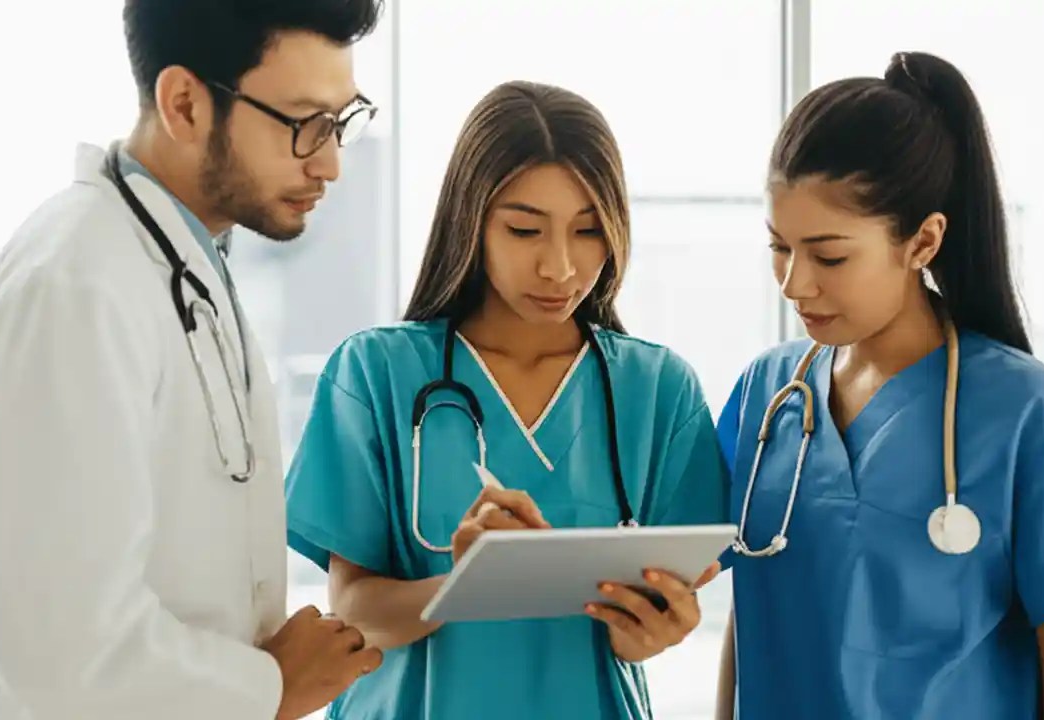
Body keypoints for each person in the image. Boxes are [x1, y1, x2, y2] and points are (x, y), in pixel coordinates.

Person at [0, 2, 387, 717]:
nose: (332, 162)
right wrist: (270, 688)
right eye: (305, 125)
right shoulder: (76, 285)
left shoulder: (181, 263)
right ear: (184, 103)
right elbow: (63, 651)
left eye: (342, 121)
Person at [284, 80, 730, 719]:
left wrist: (650, 634)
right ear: (471, 219)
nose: (560, 268)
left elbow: (652, 621)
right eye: (525, 230)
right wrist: (463, 586)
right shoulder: (376, 373)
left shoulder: (657, 391)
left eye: (588, 230)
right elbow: (354, 612)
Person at [713, 51, 1044, 719]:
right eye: (778, 247)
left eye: (829, 255)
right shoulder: (767, 396)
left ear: (922, 242)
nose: (796, 282)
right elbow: (749, 625)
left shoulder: (1031, 416)